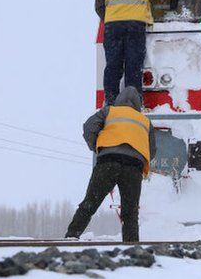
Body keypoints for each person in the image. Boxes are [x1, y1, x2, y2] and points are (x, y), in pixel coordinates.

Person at [65, 86, 157, 242]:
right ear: (138, 104)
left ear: (119, 100)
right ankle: (131, 244)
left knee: (90, 203)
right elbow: (152, 150)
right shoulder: (145, 121)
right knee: (130, 212)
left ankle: (71, 236)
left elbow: (88, 127)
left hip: (108, 162)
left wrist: (96, 146)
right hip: (133, 168)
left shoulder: (109, 111)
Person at [95, 0, 170, 105]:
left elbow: (99, 5)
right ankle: (134, 103)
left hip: (113, 27)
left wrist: (108, 19)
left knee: (113, 66)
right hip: (135, 25)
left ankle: (110, 101)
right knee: (133, 65)